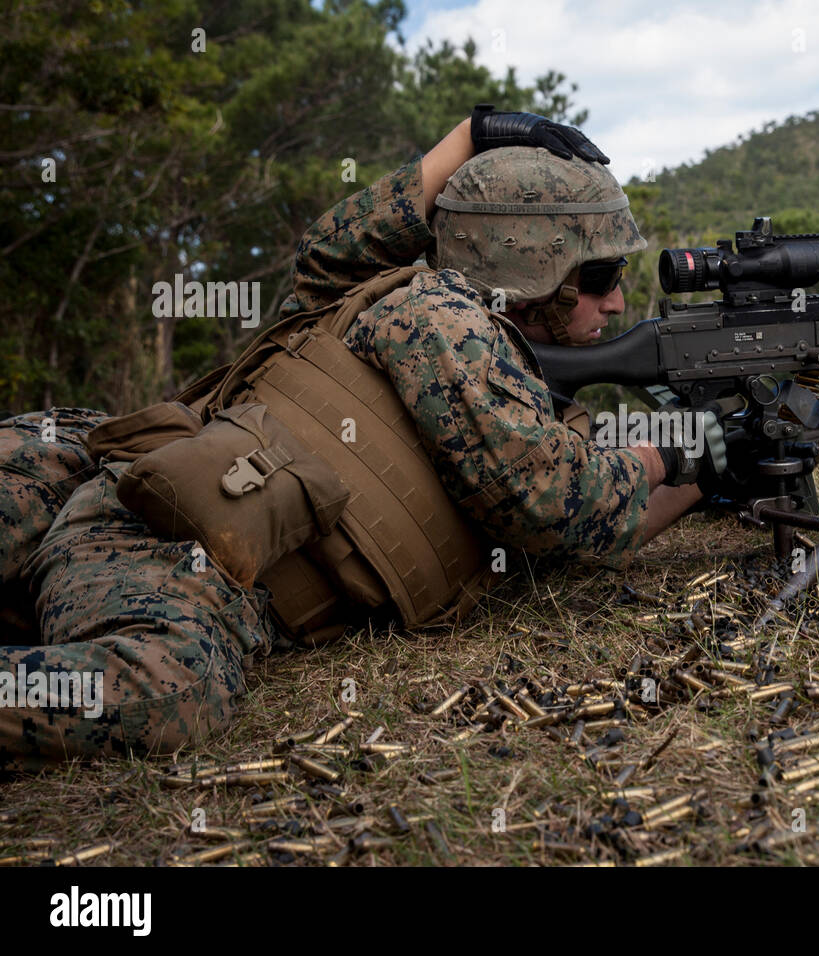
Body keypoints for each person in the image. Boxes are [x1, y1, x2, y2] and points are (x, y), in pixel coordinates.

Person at [0, 107, 715, 772]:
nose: (616, 301)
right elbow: (560, 500)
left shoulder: (385, 308)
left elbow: (592, 534)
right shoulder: (443, 323)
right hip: (161, 544)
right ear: (532, 263)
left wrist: (716, 466)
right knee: (163, 692)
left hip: (124, 490)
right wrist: (675, 451)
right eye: (600, 276)